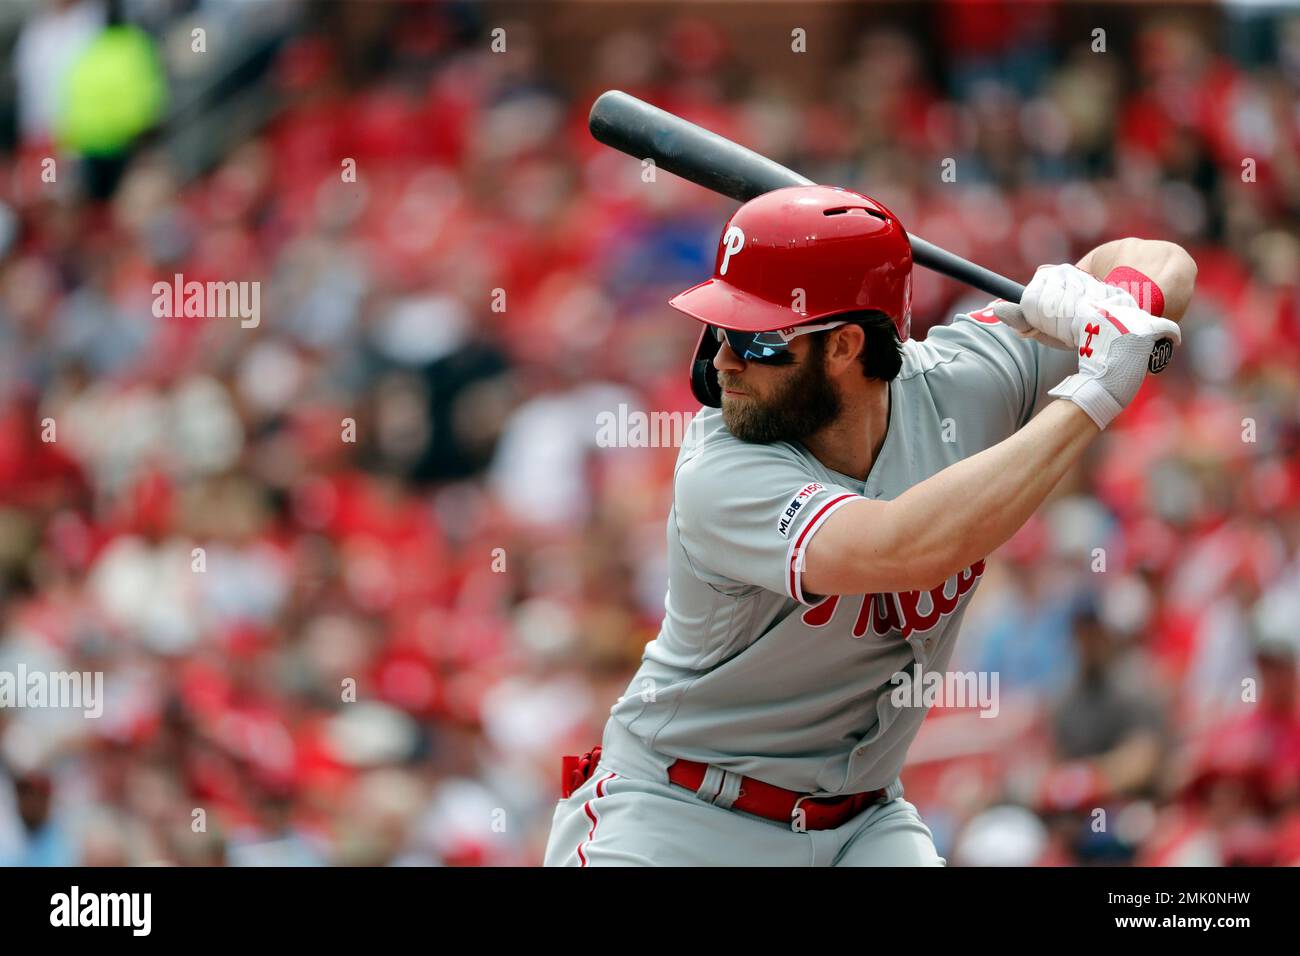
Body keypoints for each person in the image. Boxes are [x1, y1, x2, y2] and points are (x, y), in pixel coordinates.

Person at [544, 184, 1195, 866]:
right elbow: (905, 546)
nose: (723, 362)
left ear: (846, 347)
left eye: (756, 340)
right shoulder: (721, 467)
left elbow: (1167, 262)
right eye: (718, 331)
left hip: (862, 825)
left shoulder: (960, 380)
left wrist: (1116, 299)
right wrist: (1092, 391)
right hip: (680, 814)